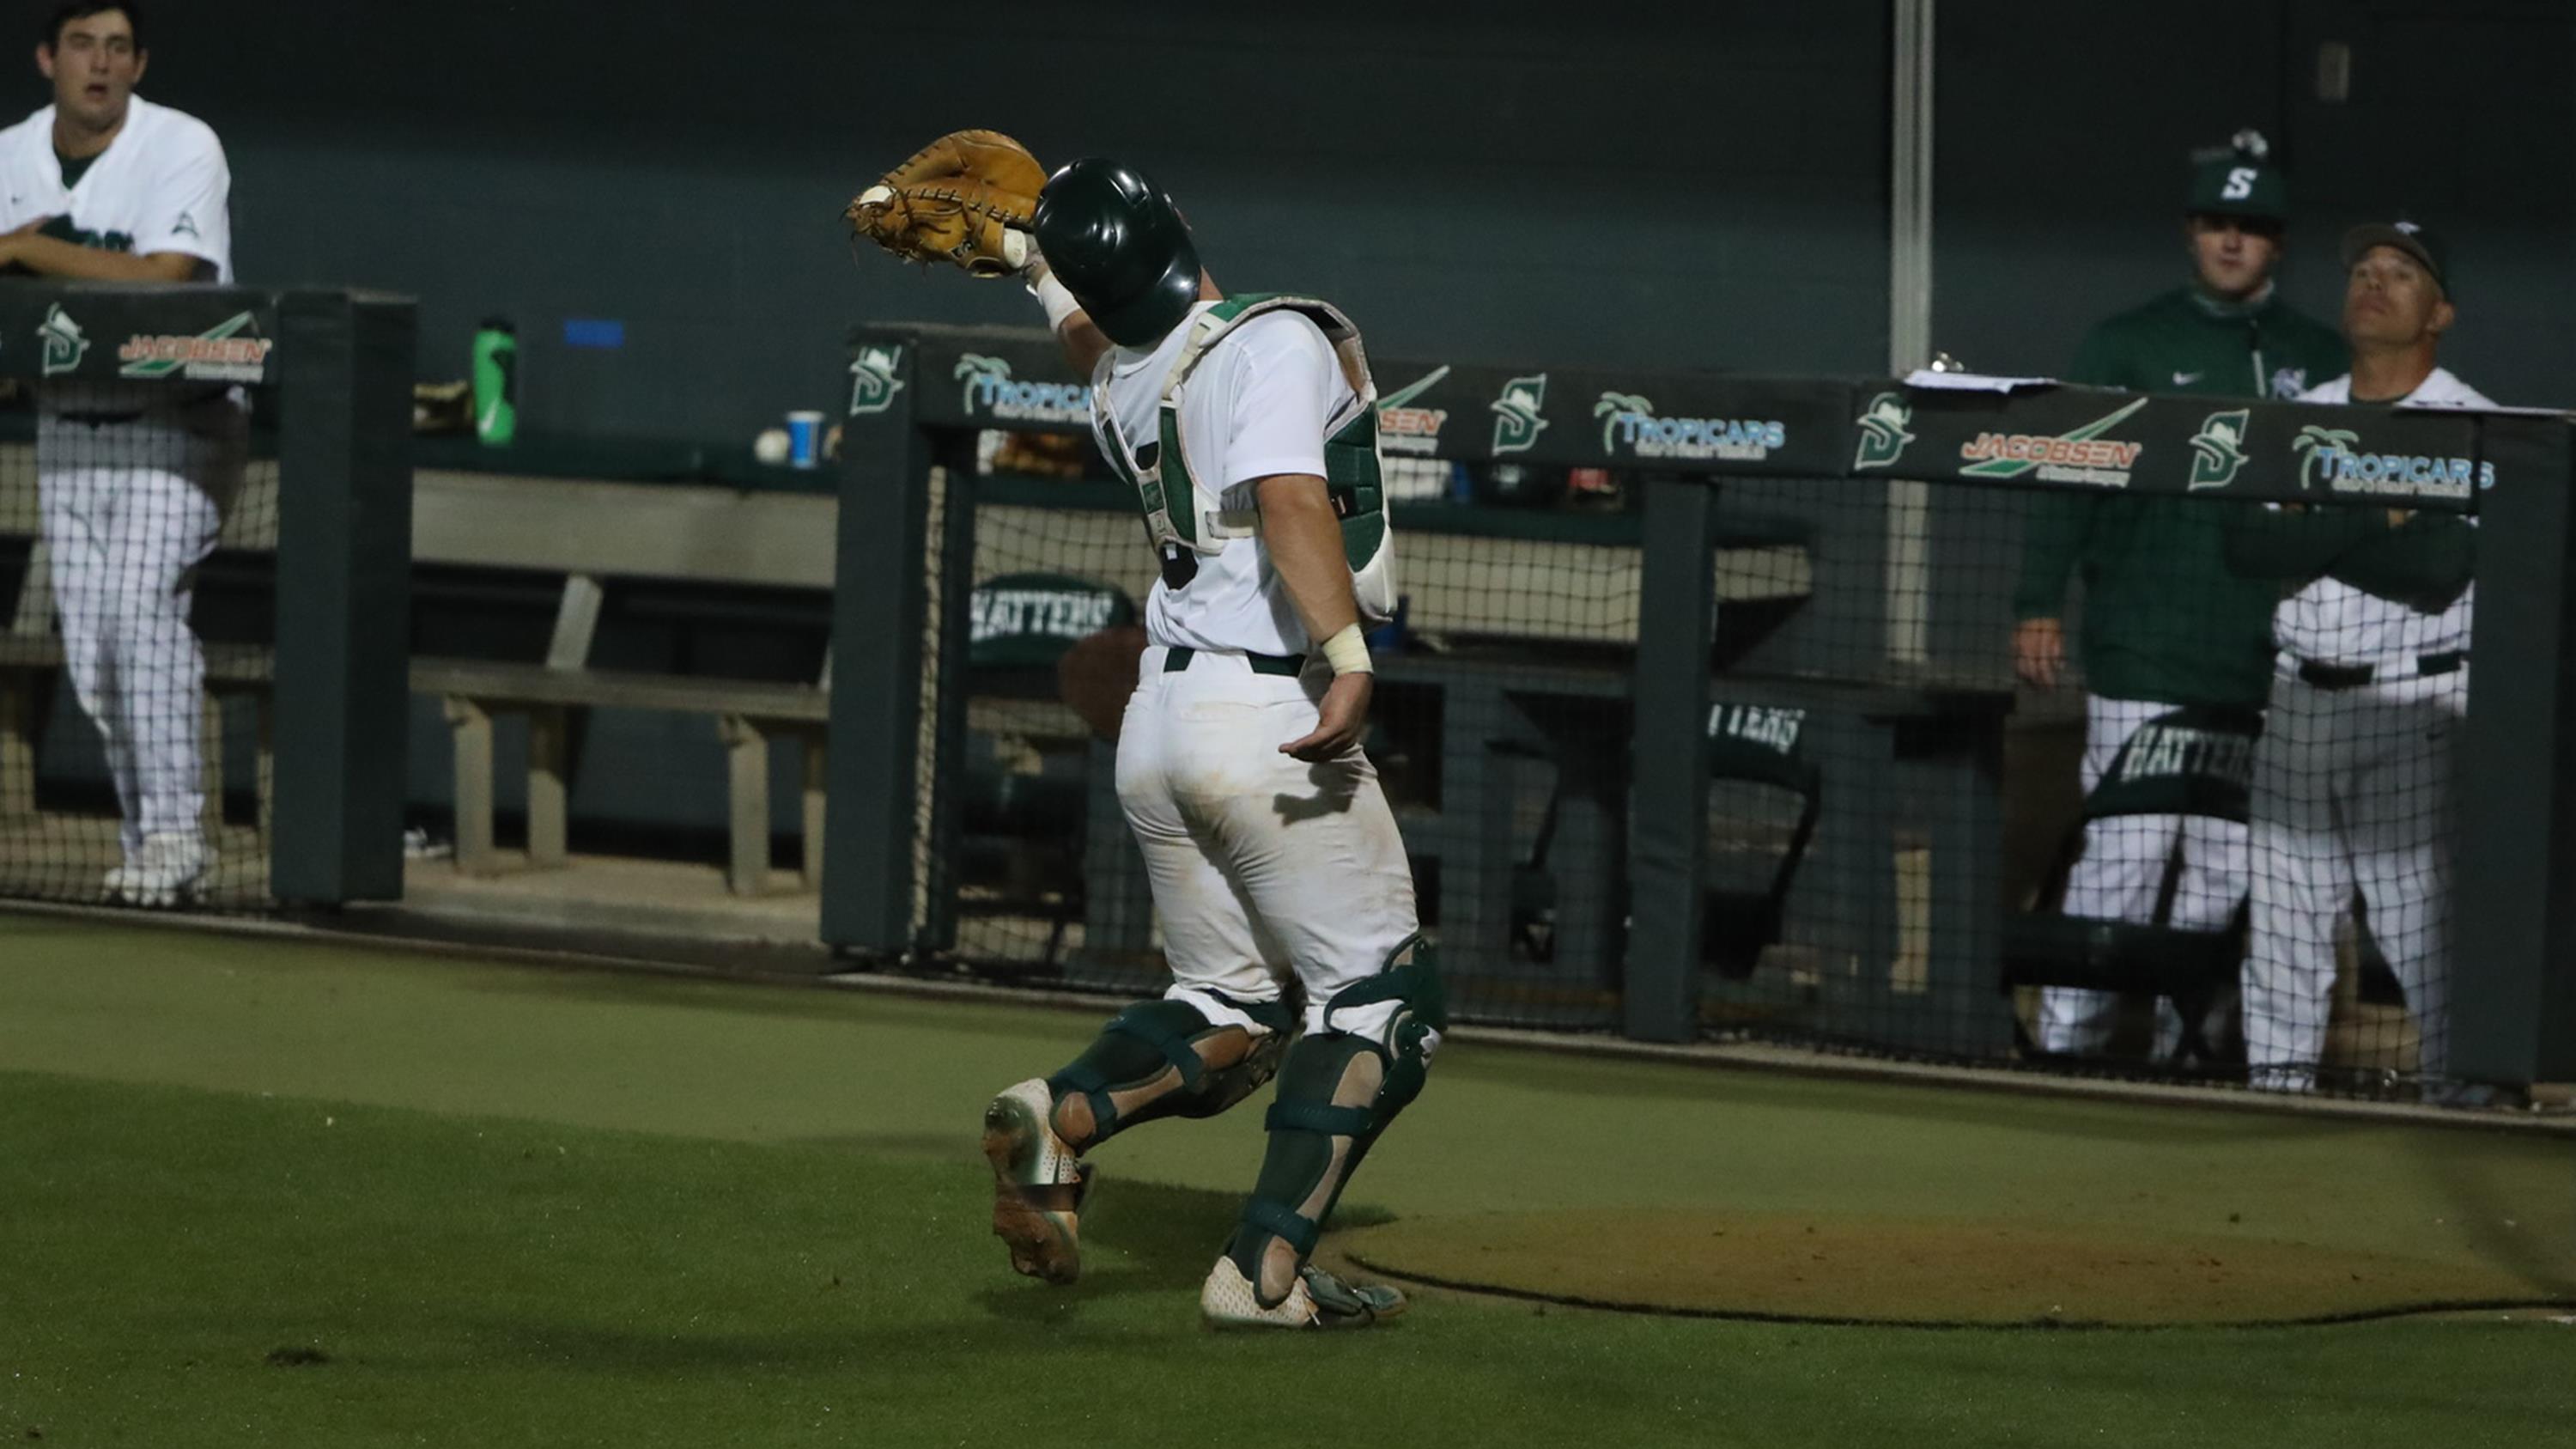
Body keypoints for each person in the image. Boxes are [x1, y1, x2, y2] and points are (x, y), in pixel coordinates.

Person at [974, 158, 1438, 1330]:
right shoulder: (1272, 342)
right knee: (1381, 1002)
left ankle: (1061, 1114)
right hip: (1261, 714)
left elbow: (1100, 338)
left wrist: (1036, 270)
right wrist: (1350, 654)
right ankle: (1262, 1269)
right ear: (1177, 230)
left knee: (1232, 1014)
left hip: (1160, 721)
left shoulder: (1127, 376)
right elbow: (1290, 496)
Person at [2010, 131, 2346, 1058]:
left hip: (2262, 662)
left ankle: (2180, 1056)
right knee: (2125, 855)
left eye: (2252, 224)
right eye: (2215, 223)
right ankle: (2063, 1051)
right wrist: (2038, 599)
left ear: (2277, 240)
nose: (2232, 241)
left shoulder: (2318, 354)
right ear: (2189, 232)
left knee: (2226, 874)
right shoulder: (2127, 341)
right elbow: (2068, 476)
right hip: (2146, 647)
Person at [2226, 221, 2488, 1094]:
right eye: (2364, 271)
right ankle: (2274, 1113)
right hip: (2296, 701)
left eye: (2402, 273)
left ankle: (2463, 1111)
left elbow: (2438, 568)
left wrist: (2318, 525)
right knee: (2284, 938)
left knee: (2424, 937)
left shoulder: (2472, 420)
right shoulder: (2301, 416)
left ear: (2439, 309)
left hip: (2414, 712)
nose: (2374, 283)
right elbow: (2245, 547)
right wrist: (2379, 518)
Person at [0, 1, 238, 904]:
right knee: (96, 656)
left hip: (176, 421)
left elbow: (168, 276)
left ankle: (177, 834)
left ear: (139, 64)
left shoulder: (181, 145)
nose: (98, 65)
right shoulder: (9, 155)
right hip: (65, 429)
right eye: (80, 47)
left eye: (117, 49)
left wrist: (28, 246)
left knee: (142, 618)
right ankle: (149, 846)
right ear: (45, 58)